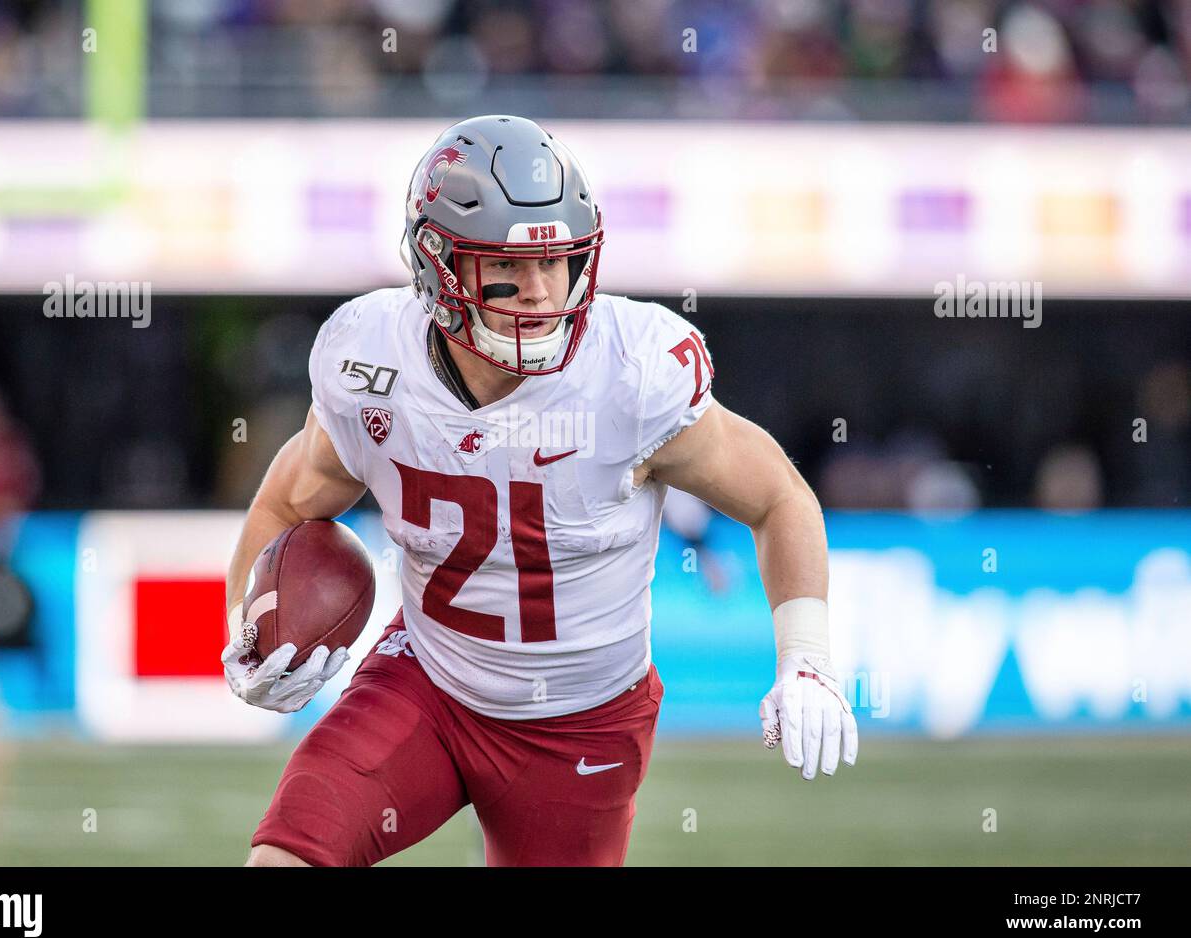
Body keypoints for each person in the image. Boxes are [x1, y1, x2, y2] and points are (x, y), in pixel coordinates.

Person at [221, 115, 857, 867]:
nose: (539, 290)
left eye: (556, 261)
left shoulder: (630, 370)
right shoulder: (372, 365)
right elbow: (289, 504)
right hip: (427, 684)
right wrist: (247, 628)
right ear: (438, 266)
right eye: (506, 268)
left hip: (580, 725)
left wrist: (806, 656)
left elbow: (778, 495)